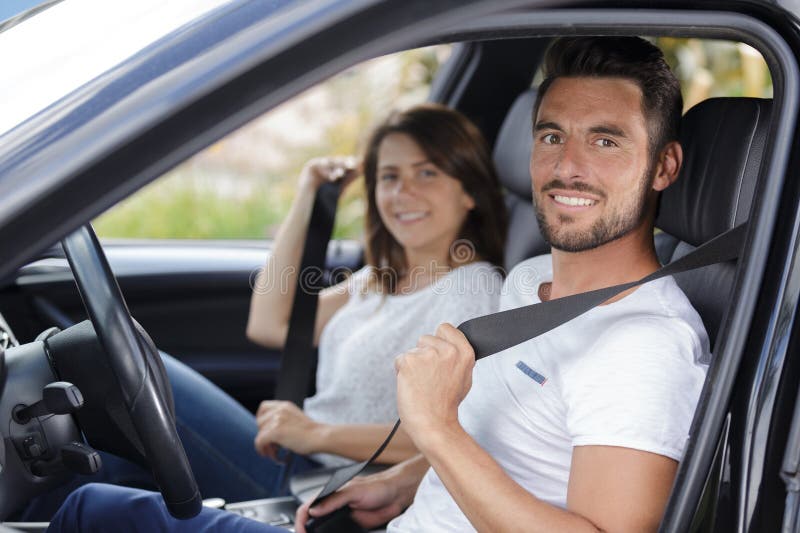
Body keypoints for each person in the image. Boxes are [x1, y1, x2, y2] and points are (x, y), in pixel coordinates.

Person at [48, 36, 709, 533]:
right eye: (552, 135)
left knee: (87, 508)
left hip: (324, 474)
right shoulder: (531, 281)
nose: (567, 164)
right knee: (93, 496)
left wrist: (431, 430)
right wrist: (400, 481)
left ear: (664, 165)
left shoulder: (642, 344)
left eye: (606, 141)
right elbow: (498, 443)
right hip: (381, 513)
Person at [28, 103, 508, 519]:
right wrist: (308, 195)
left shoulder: (474, 290)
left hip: (335, 485)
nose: (403, 193)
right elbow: (271, 323)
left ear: (469, 190)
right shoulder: (377, 281)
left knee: (125, 357)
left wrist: (315, 433)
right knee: (88, 476)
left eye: (427, 173)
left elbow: (465, 437)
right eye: (389, 176)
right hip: (300, 461)